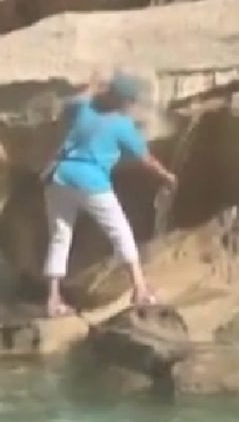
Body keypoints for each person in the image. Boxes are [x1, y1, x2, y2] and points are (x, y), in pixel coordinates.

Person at [41, 69, 177, 317]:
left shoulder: (84, 110)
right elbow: (145, 159)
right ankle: (140, 289)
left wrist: (93, 86)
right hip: (91, 180)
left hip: (58, 176)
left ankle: (53, 301)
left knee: (60, 236)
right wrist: (167, 176)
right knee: (120, 230)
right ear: (126, 101)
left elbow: (73, 101)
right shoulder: (122, 125)